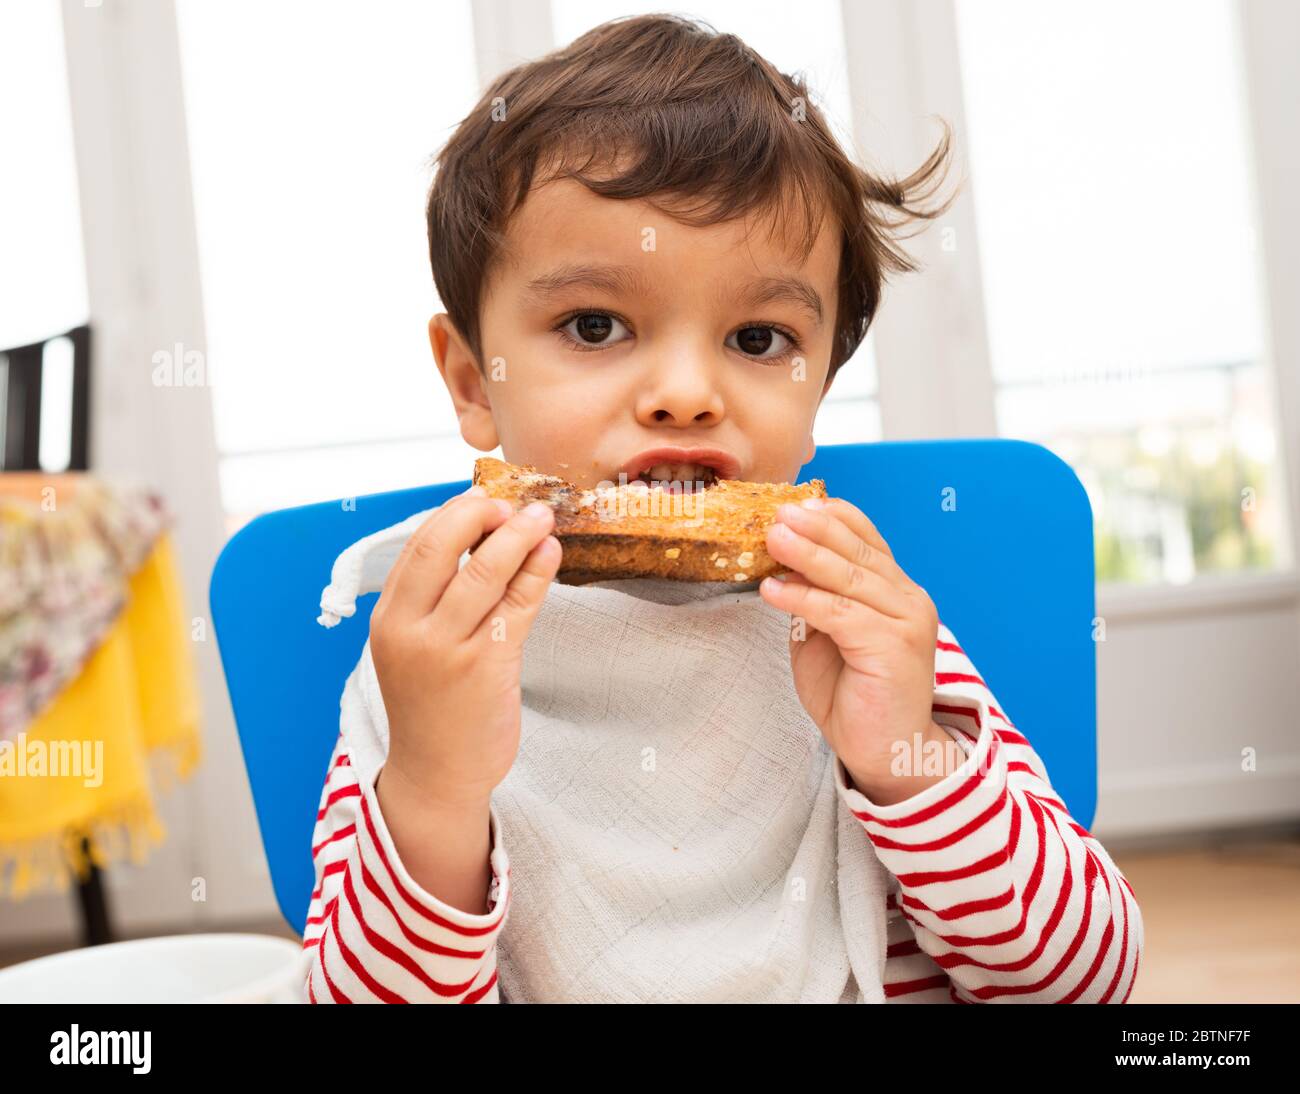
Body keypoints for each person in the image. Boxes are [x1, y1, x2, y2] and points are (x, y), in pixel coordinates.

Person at [302, 13, 1142, 1004]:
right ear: (472, 382)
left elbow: (1087, 981)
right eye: (595, 324)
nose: (687, 391)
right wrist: (435, 788)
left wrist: (907, 761)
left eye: (756, 337)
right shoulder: (432, 656)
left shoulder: (859, 630)